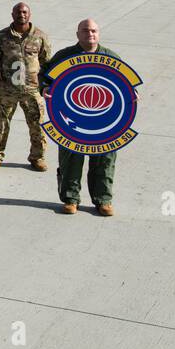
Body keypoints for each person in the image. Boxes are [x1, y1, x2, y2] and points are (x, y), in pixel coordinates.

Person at [41, 18, 122, 216]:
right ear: (78, 34)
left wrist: (132, 95)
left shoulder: (110, 58)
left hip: (103, 121)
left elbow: (125, 85)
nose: (90, 34)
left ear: (99, 33)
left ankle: (103, 200)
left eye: (94, 30)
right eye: (85, 31)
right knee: (71, 159)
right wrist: (44, 88)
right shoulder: (65, 56)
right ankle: (70, 198)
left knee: (104, 160)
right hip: (72, 119)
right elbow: (44, 76)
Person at [0, 2, 52, 172]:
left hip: (32, 89)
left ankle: (37, 157)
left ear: (29, 14)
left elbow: (46, 61)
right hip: (7, 89)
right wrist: (4, 78)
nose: (21, 14)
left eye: (24, 12)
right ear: (12, 14)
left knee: (37, 124)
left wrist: (42, 83)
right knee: (0, 124)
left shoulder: (40, 36)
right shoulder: (0, 37)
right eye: (18, 12)